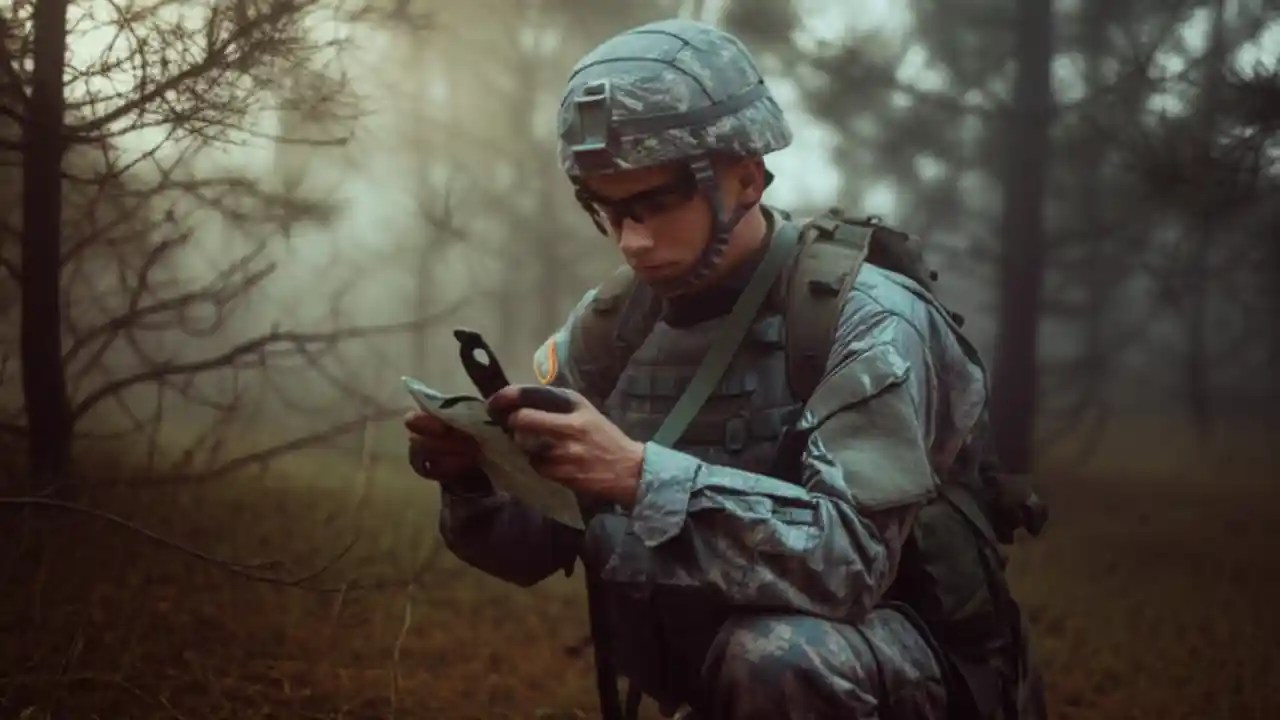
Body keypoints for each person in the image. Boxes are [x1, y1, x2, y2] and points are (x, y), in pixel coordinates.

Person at [405, 18, 1044, 720]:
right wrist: (476, 475)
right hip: (717, 685)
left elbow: (852, 565)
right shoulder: (612, 326)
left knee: (778, 655)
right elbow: (530, 547)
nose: (632, 241)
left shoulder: (866, 319)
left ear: (746, 177)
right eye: (605, 209)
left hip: (909, 675)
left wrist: (636, 475)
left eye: (655, 203)